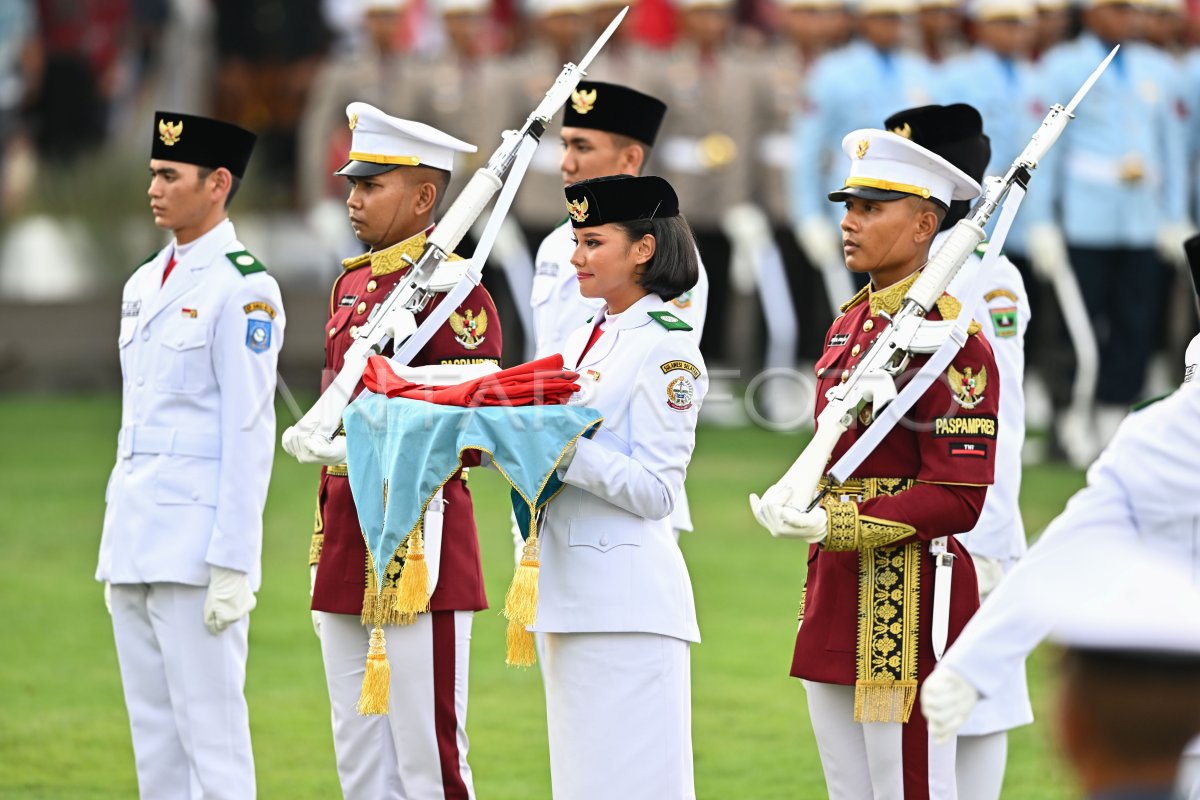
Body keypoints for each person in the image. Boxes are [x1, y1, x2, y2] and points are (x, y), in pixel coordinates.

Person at [752, 127, 999, 798]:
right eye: (848, 206)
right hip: (833, 584)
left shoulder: (954, 343)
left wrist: (840, 523)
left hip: (909, 597)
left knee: (908, 786)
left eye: (872, 208)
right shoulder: (848, 325)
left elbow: (958, 493)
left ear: (925, 224)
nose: (850, 222)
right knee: (846, 786)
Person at [283, 102, 502, 800]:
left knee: (428, 761)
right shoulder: (354, 285)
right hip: (346, 527)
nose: (352, 198)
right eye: (352, 183)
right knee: (359, 759)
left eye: (370, 185)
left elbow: (474, 428)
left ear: (424, 197)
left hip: (419, 539)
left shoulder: (456, 295)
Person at [96, 111, 281, 799]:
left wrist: (235, 558)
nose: (155, 188)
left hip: (197, 548)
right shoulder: (144, 282)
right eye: (153, 174)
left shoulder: (243, 287)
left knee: (214, 740)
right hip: (135, 537)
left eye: (170, 175)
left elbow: (248, 429)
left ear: (217, 184)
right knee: (156, 742)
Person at [922, 347, 1200, 799]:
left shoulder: (1161, 434)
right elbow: (1069, 544)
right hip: (1165, 702)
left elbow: (1068, 547)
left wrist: (971, 664)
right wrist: (970, 665)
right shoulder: (1162, 436)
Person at [534, 174, 706, 800]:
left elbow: (659, 490)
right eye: (576, 240)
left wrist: (559, 448)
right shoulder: (589, 332)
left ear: (643, 249)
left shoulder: (667, 347)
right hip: (570, 591)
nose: (576, 256)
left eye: (593, 241)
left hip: (627, 605)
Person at [883, 102, 1034, 800]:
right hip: (923, 522)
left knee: (973, 711)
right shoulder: (924, 276)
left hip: (975, 525)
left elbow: (989, 415)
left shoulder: (984, 277)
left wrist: (990, 537)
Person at [532, 80, 708, 539]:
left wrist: (559, 444)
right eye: (565, 144)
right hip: (549, 490)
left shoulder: (665, 261)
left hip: (619, 505)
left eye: (582, 146)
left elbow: (660, 372)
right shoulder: (556, 244)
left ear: (631, 158)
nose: (566, 161)